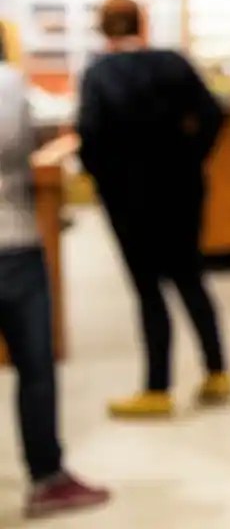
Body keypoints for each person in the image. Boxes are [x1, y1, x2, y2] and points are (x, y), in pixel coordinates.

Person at [77, 0, 230, 418]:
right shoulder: (173, 64)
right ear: (141, 23)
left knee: (148, 289)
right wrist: (193, 157)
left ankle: (158, 387)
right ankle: (217, 371)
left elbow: (89, 137)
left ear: (103, 28)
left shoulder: (99, 75)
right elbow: (214, 114)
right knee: (190, 276)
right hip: (182, 190)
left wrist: (106, 180)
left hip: (129, 200)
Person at [0, 62, 111, 517]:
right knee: (35, 365)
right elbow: (23, 143)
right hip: (13, 239)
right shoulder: (8, 84)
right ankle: (47, 476)